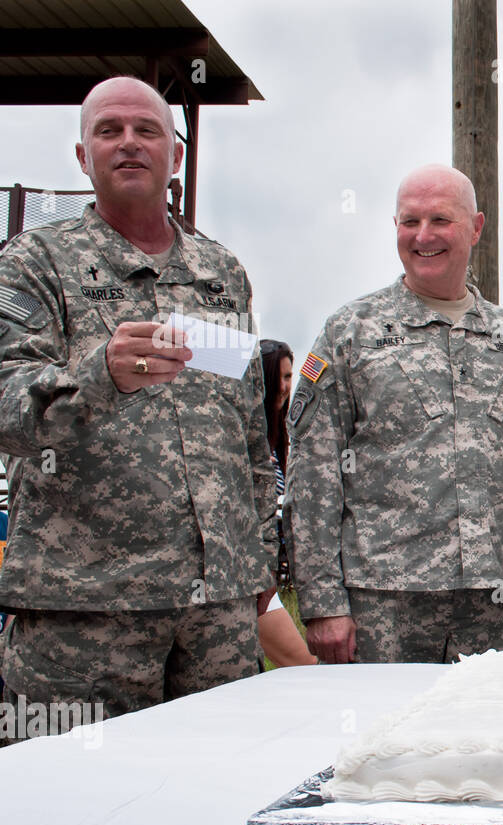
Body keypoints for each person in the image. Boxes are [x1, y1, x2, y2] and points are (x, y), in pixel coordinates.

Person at [0, 76, 276, 734]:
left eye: (146, 130)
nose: (129, 143)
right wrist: (99, 377)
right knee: (69, 813)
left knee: (218, 792)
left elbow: (250, 433)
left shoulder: (220, 272)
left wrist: (260, 555)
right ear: (82, 157)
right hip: (85, 617)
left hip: (217, 617)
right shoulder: (34, 262)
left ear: (174, 156)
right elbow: (5, 406)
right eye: (109, 130)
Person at [284, 164, 503, 664]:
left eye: (441, 220)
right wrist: (323, 601)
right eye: (409, 221)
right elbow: (313, 474)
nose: (424, 236)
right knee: (382, 739)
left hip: (497, 600)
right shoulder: (350, 332)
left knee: (486, 741)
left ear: (476, 227)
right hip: (384, 602)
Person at [257, 339, 316, 669]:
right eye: (277, 377)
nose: (284, 387)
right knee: (305, 668)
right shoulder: (247, 438)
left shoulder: (284, 438)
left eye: (289, 377)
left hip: (267, 577)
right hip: (249, 580)